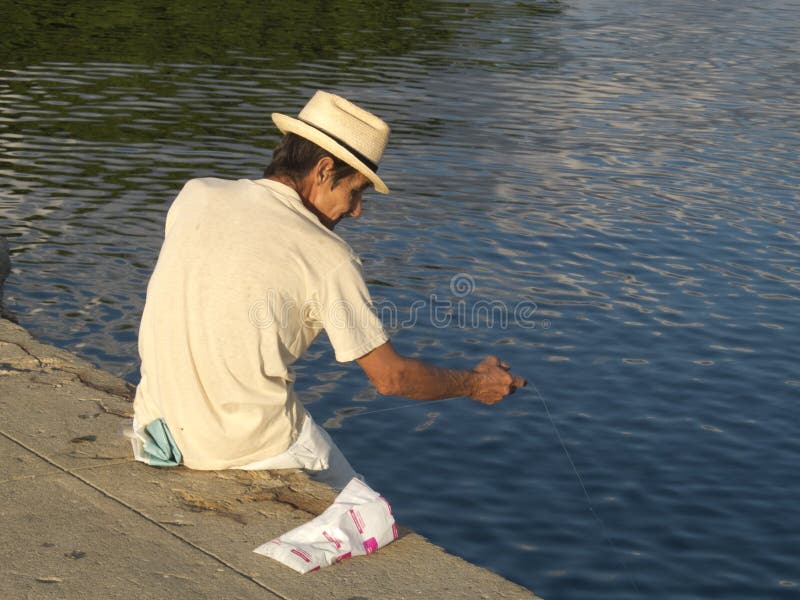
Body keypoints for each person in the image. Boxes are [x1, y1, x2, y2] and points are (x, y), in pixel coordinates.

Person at [130, 91, 526, 489]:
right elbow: (391, 379)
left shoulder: (197, 193)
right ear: (323, 170)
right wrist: (475, 383)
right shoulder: (327, 254)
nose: (356, 210)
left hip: (155, 430)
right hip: (237, 449)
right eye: (354, 191)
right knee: (368, 515)